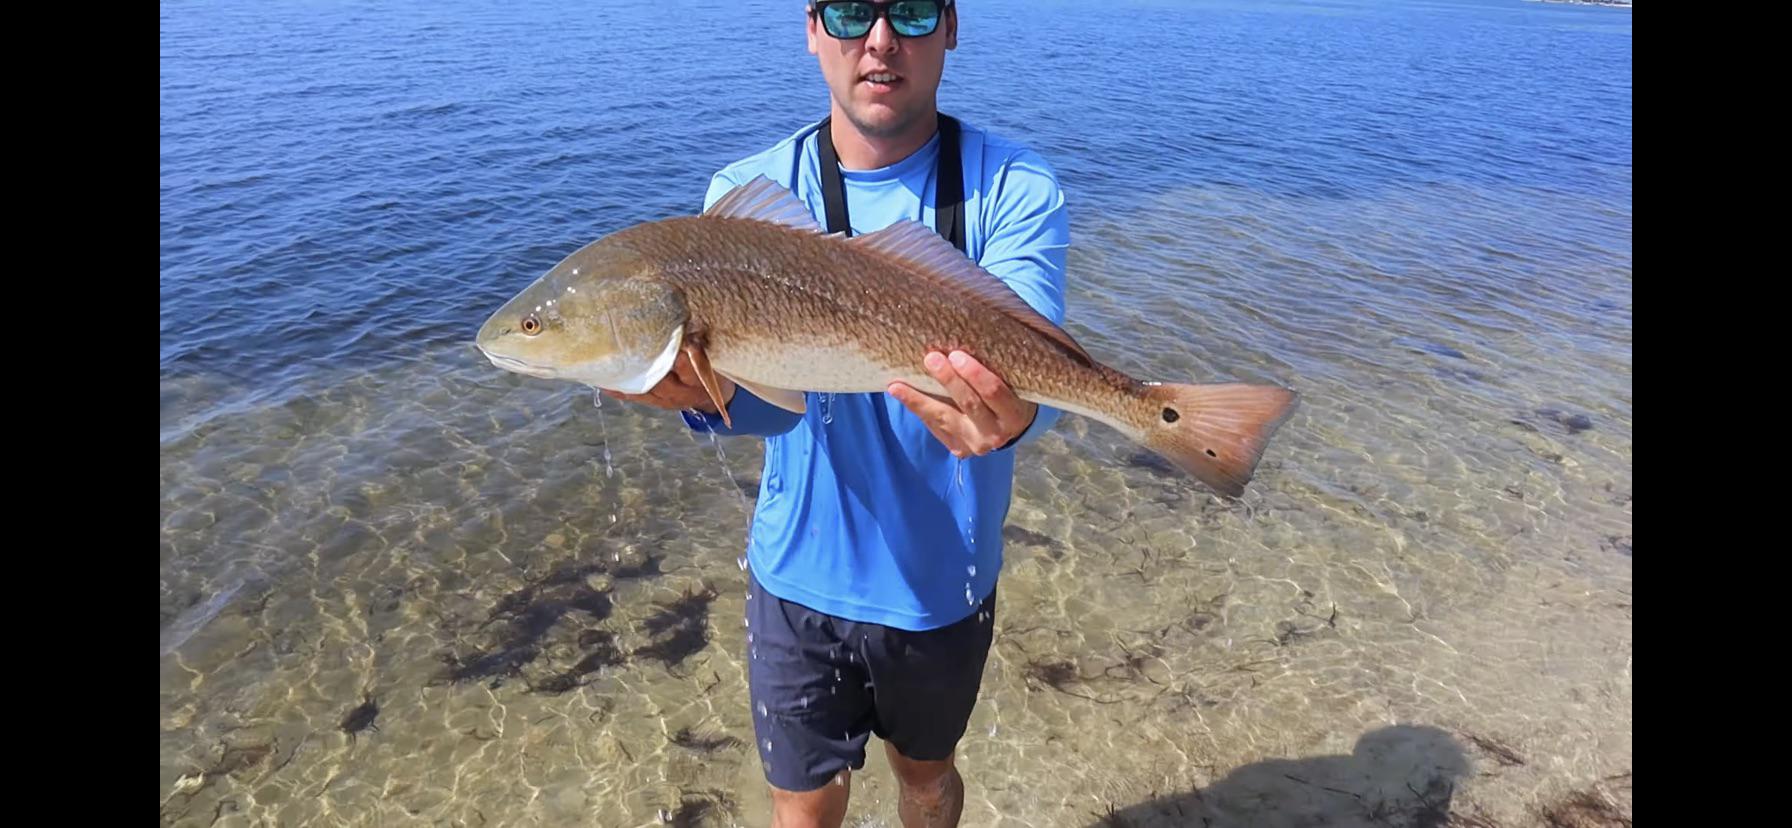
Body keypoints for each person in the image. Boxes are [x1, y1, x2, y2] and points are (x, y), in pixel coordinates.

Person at [606, 2, 1070, 825]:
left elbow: (1038, 368)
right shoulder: (743, 200)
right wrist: (708, 400)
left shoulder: (1013, 186)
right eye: (853, 11)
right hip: (796, 577)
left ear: (951, 25)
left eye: (912, 11)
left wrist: (1018, 418)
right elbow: (774, 409)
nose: (880, 40)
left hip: (942, 582)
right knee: (802, 806)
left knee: (926, 780)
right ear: (813, 27)